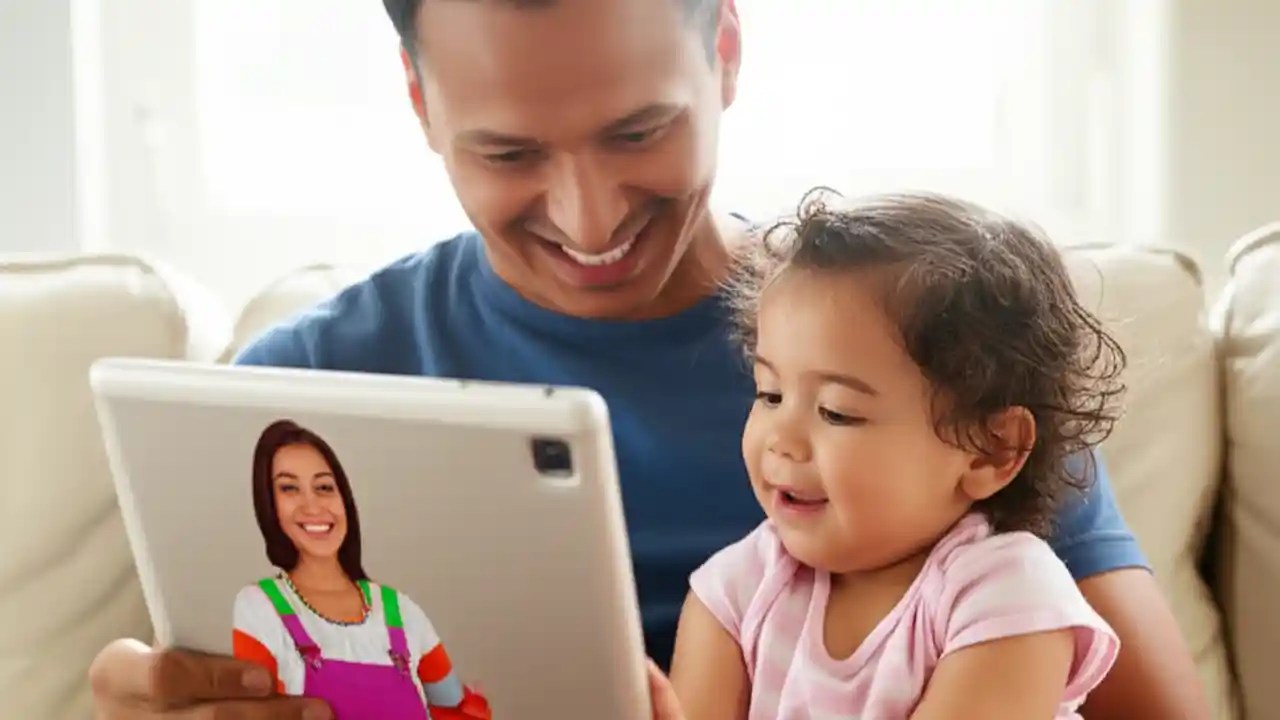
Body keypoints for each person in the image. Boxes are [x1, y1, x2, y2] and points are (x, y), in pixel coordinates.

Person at [87, 1, 1209, 718]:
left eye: (637, 133)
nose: (586, 218)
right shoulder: (295, 400)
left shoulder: (932, 357)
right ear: (422, 106)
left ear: (724, 52)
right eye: (510, 152)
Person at [645, 190, 1123, 719]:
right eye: (770, 394)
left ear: (991, 450)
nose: (782, 437)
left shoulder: (1009, 597)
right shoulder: (734, 592)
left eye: (836, 411)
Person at [231, 419, 490, 720]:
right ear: (268, 504)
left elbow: (455, 707)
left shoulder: (401, 610)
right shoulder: (260, 607)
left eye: (324, 487)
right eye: (289, 488)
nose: (312, 505)